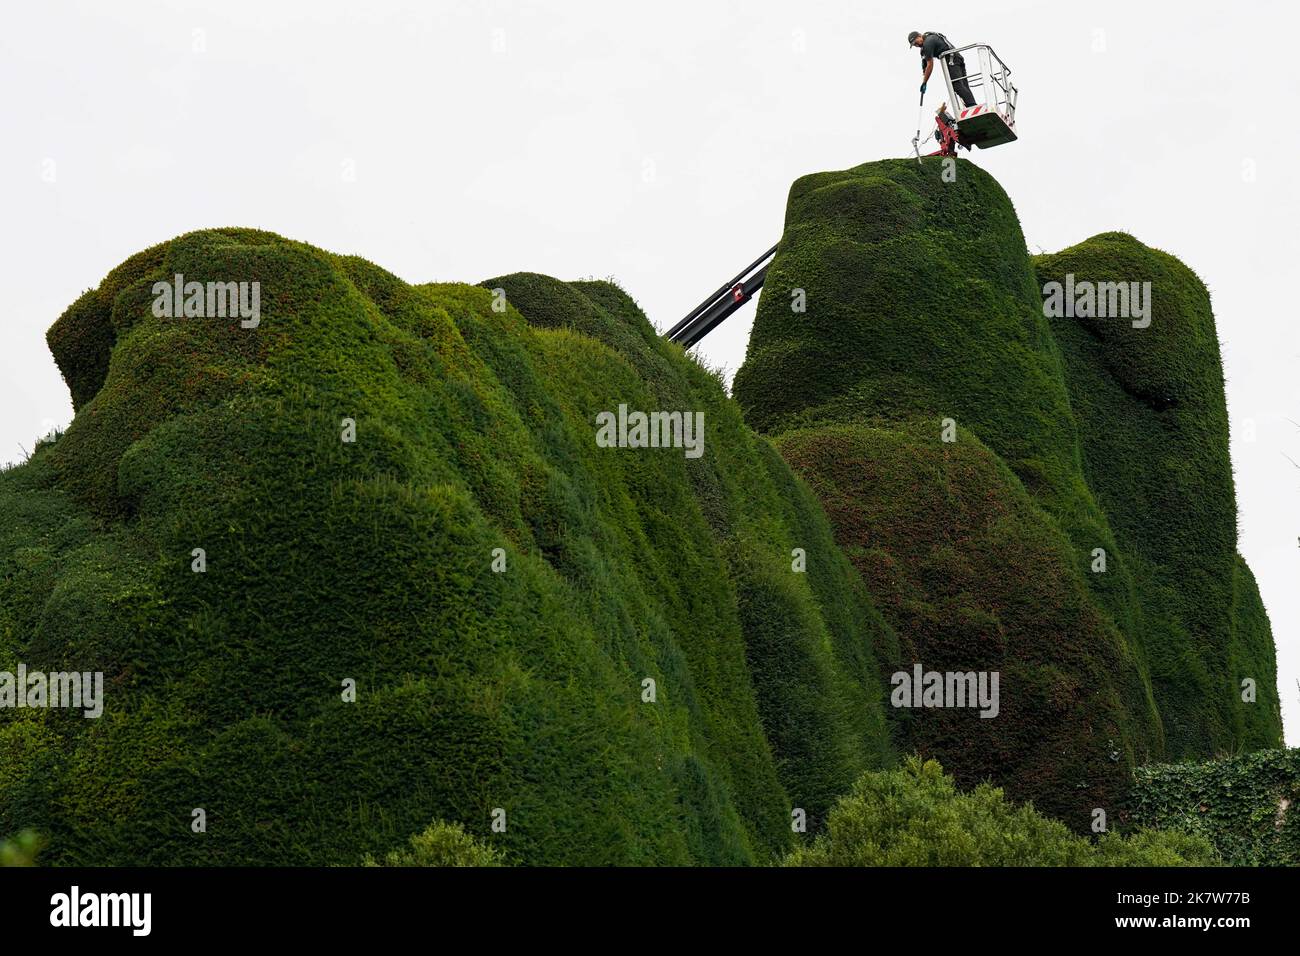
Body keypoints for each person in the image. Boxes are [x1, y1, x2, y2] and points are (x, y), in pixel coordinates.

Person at [908, 30, 976, 109]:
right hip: (957, 58)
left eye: (916, 42)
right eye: (914, 45)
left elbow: (930, 65)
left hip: (952, 60)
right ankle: (972, 105)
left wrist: (924, 82)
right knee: (963, 85)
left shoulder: (928, 42)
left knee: (957, 85)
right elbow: (925, 63)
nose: (916, 45)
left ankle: (972, 107)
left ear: (920, 36)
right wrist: (924, 71)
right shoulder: (928, 41)